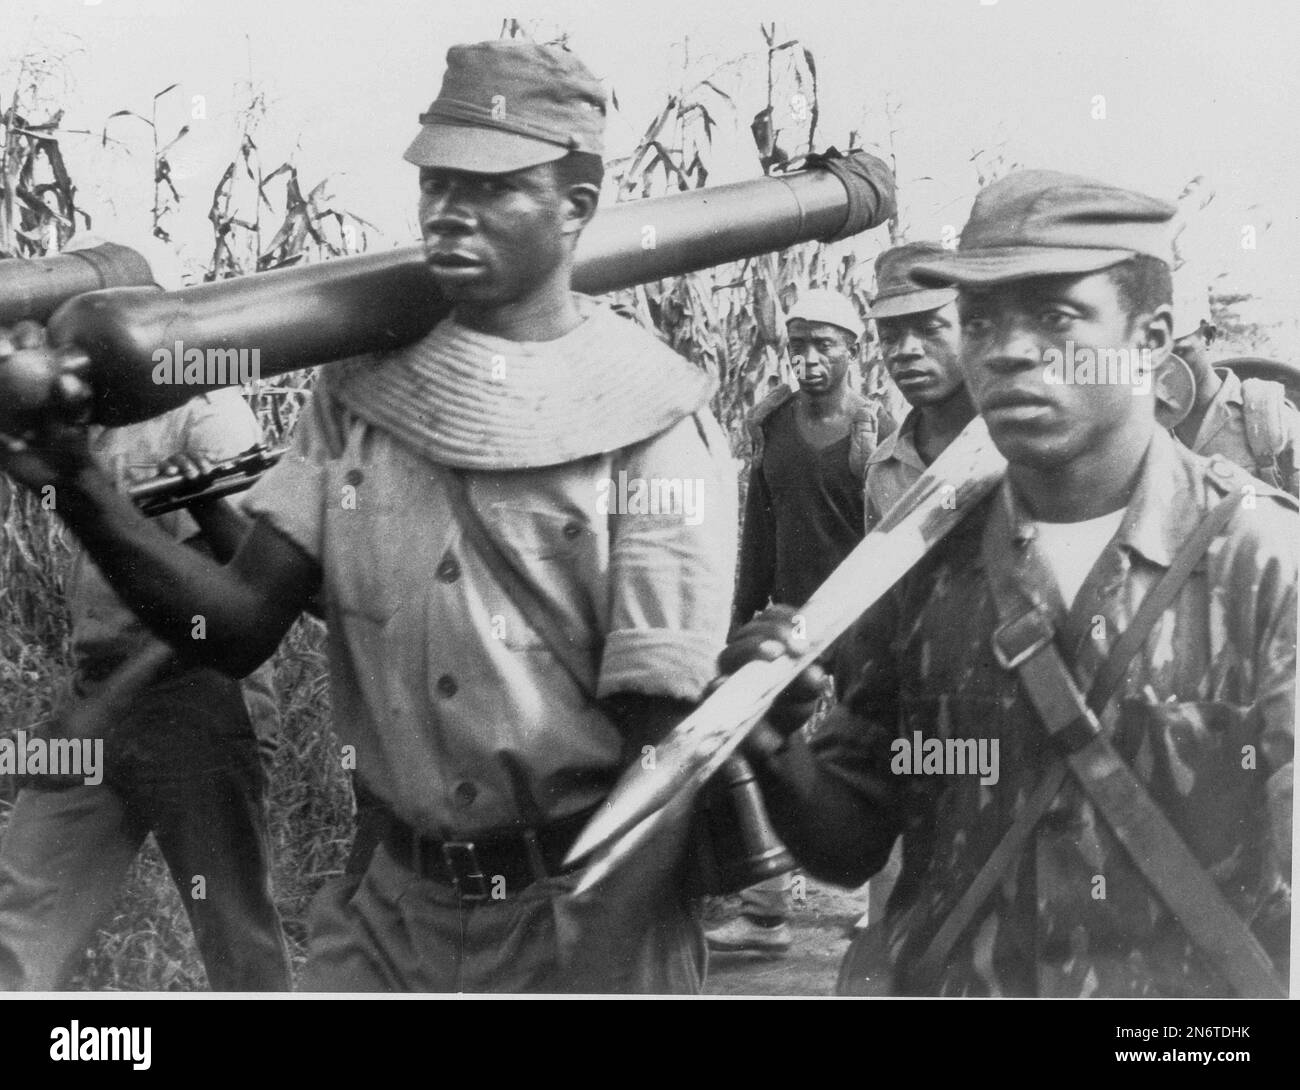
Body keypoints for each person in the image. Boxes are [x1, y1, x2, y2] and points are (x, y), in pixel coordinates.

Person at [0, 40, 822, 992]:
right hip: (386, 918)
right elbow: (234, 628)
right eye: (436, 184)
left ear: (578, 208)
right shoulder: (353, 397)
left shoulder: (652, 422)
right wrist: (75, 482)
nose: (449, 213)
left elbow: (660, 732)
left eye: (493, 189)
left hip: (577, 910)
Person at [722, 170, 1295, 996]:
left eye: (1056, 316)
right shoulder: (921, 559)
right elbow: (850, 841)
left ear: (1151, 336)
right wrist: (771, 741)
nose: (1009, 349)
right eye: (982, 319)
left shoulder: (1265, 564)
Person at [0, 317, 290, 991]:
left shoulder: (203, 411)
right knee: (19, 912)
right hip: (98, 693)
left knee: (235, 936)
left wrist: (101, 707)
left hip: (198, 700)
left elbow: (239, 595)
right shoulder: (87, 416)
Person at [709, 288, 879, 956]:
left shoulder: (876, 432)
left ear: (852, 350)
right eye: (798, 345)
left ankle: (873, 900)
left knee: (867, 753)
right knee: (763, 752)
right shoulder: (774, 425)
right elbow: (762, 530)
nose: (808, 359)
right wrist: (740, 617)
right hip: (787, 621)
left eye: (823, 345)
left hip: (859, 621)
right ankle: (764, 911)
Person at [863, 241, 976, 531]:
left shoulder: (1020, 443)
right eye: (889, 336)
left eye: (929, 329)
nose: (905, 350)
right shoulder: (884, 471)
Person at [1168, 269, 1300, 497]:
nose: (1168, 366)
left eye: (1180, 351)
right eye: (1155, 354)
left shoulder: (1270, 417)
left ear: (1208, 336)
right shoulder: (1140, 424)